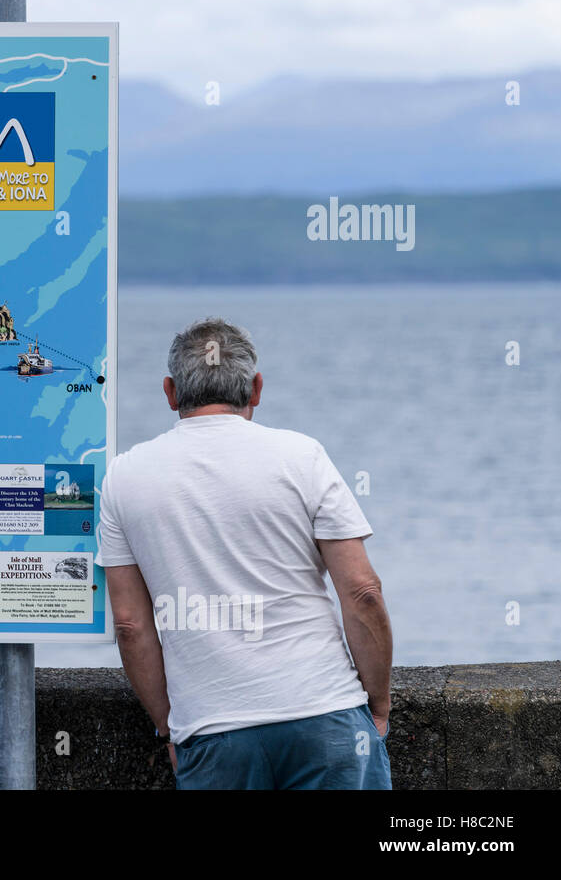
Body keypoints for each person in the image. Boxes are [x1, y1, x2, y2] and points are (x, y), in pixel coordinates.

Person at [97, 318, 393, 789]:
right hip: (325, 713)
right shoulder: (302, 456)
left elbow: (131, 626)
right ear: (256, 389)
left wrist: (170, 725)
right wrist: (378, 703)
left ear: (170, 393)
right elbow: (362, 592)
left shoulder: (124, 478)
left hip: (214, 734)